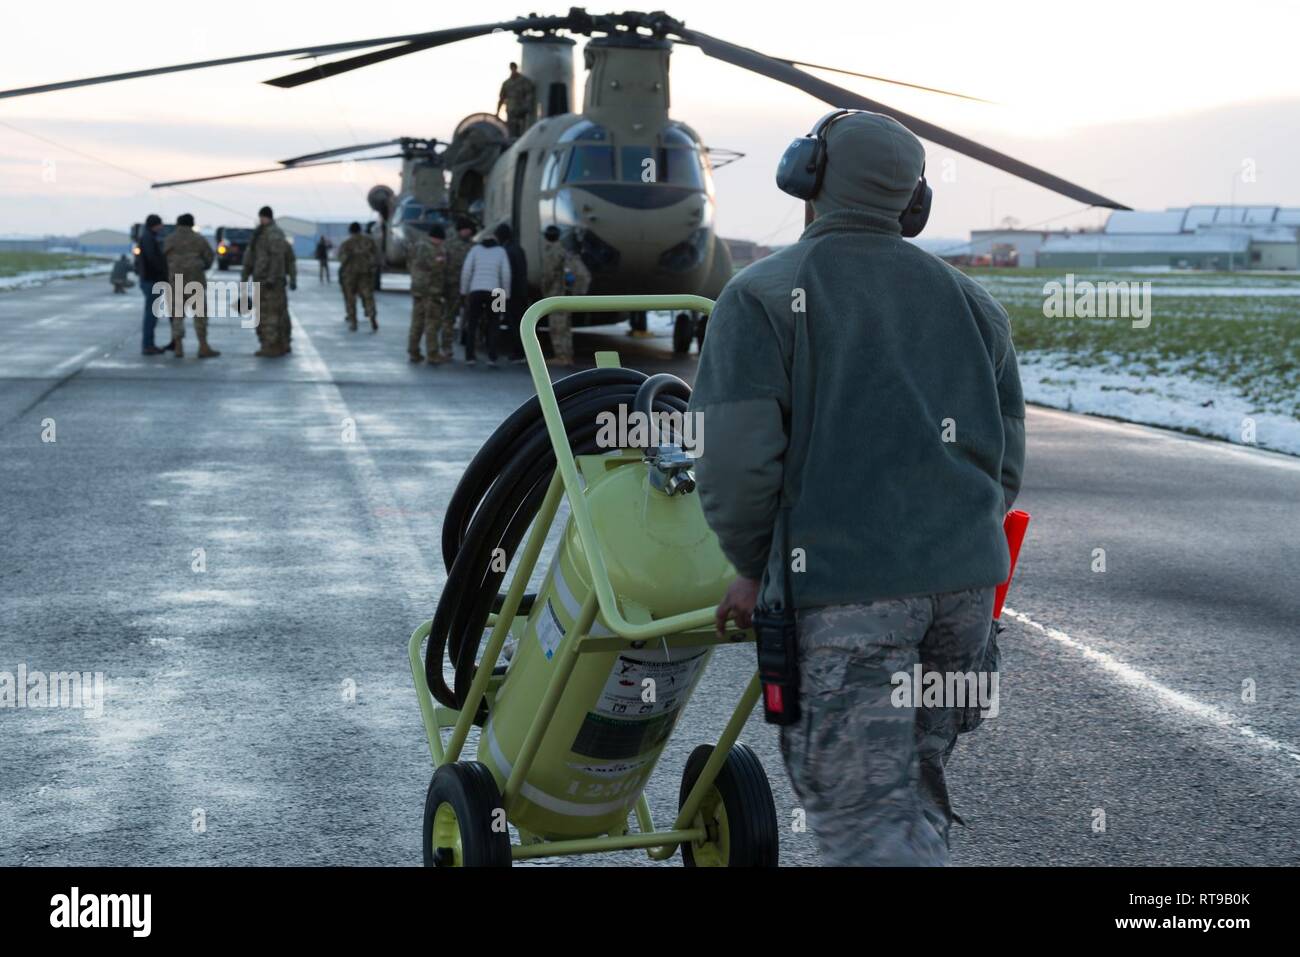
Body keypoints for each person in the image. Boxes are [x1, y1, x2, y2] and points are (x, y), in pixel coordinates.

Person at [690, 111, 1026, 867]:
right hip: (965, 598)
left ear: (806, 174)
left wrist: (751, 567)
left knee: (863, 822)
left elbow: (738, 461)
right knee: (916, 790)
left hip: (846, 596)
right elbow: (1001, 463)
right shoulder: (975, 304)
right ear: (913, 200)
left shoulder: (763, 295)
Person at [241, 205, 296, 358]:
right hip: (261, 279)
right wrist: (245, 277)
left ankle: (273, 345)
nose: (261, 220)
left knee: (271, 313)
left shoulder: (274, 233)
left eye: (263, 217)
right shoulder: (260, 233)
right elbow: (250, 256)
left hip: (271, 281)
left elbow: (279, 258)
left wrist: (273, 277)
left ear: (267, 217)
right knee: (270, 313)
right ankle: (277, 343)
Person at [163, 213, 218, 358]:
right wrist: (201, 267)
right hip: (195, 280)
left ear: (178, 224)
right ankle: (203, 346)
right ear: (192, 224)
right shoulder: (199, 239)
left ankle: (179, 347)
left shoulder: (170, 239)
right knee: (200, 315)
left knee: (177, 315)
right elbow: (209, 257)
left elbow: (162, 258)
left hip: (176, 281)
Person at [459, 230, 511, 367]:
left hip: (476, 291)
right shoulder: (501, 251)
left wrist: (464, 291)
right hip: (497, 292)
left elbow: (466, 271)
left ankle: (470, 356)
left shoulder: (475, 250)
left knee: (472, 323)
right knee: (494, 324)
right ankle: (492, 357)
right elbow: (505, 274)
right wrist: (506, 294)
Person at [540, 225, 590, 366]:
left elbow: (548, 274)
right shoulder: (563, 250)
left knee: (557, 326)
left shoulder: (552, 252)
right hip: (566, 293)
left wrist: (545, 291)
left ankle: (561, 356)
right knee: (565, 326)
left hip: (556, 294)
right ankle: (567, 355)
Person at [407, 225, 449, 365]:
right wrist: (441, 262)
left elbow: (411, 264)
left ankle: (414, 352)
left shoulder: (417, 246)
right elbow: (436, 266)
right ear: (438, 238)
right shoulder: (431, 249)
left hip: (418, 290)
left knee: (417, 322)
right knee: (432, 322)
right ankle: (433, 354)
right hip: (431, 291)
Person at [493, 222, 529, 363]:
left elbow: (504, 276)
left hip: (505, 293)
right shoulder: (518, 249)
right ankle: (520, 352)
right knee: (518, 323)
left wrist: (499, 298)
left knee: (504, 321)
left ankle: (514, 352)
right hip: (520, 293)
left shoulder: (505, 251)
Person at [442, 217, 474, 359]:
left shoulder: (474, 247)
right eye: (465, 229)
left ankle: (471, 347)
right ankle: (446, 347)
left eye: (469, 230)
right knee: (449, 318)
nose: (467, 232)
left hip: (469, 288)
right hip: (452, 286)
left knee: (471, 318)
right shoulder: (448, 246)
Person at [136, 214, 168, 356]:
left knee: (151, 313)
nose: (161, 227)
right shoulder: (149, 238)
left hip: (149, 279)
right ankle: (148, 345)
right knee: (151, 314)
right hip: (151, 280)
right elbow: (153, 259)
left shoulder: (147, 237)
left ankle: (149, 344)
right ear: (154, 225)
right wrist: (163, 272)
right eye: (160, 224)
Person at [338, 222, 378, 332]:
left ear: (350, 231)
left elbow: (342, 260)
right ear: (360, 229)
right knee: (368, 297)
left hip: (350, 275)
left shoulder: (346, 243)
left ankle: (353, 323)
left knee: (351, 299)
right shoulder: (369, 241)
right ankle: (372, 317)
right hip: (365, 274)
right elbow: (375, 257)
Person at [496, 62, 535, 139]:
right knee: (511, 132)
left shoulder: (524, 81)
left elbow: (529, 94)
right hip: (511, 111)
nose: (513, 69)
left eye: (514, 67)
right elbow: (502, 98)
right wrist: (498, 112)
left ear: (516, 68)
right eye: (511, 68)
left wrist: (527, 107)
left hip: (522, 111)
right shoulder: (506, 83)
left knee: (522, 131)